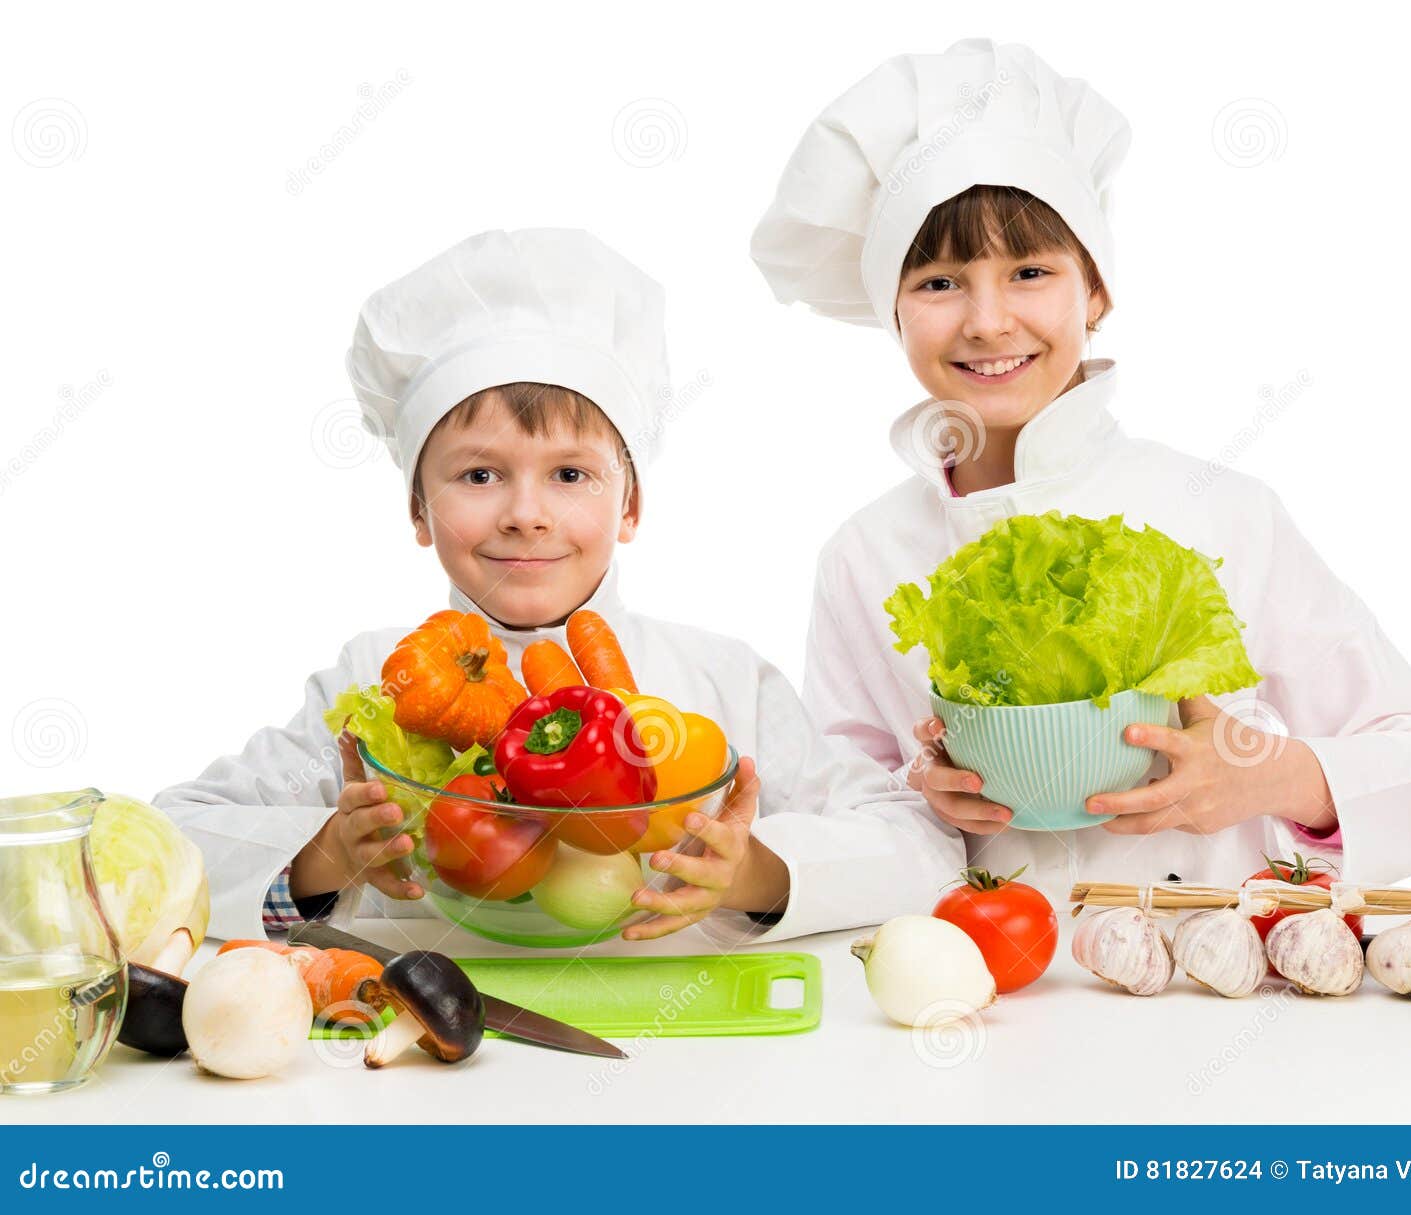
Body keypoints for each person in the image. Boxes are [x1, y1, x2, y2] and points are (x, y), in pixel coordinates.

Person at [749, 39, 1411, 902]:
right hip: (984, 996)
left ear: (1095, 293)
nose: (988, 322)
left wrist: (1263, 774)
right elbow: (848, 803)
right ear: (892, 311)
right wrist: (921, 791)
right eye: (940, 282)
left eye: (1029, 272)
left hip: (1207, 987)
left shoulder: (1223, 512)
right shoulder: (863, 554)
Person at [153, 228, 963, 945]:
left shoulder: (723, 680)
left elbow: (916, 839)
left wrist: (757, 874)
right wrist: (323, 854)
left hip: (685, 1058)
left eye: (570, 473)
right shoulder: (371, 684)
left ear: (631, 503)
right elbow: (173, 832)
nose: (526, 514)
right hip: (432, 1056)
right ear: (419, 507)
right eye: (479, 474)